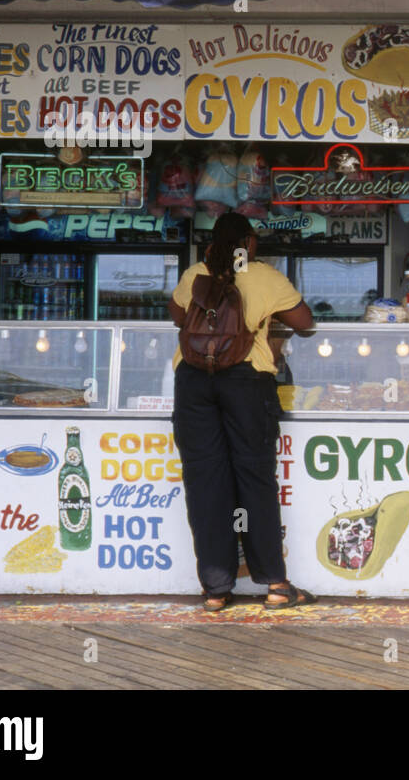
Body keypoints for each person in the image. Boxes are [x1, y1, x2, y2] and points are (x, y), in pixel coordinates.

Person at [168, 212, 317, 612]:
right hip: (246, 383)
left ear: (212, 245)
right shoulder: (265, 276)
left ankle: (216, 588)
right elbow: (306, 324)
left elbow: (179, 318)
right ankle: (274, 584)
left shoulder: (193, 274)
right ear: (249, 244)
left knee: (205, 482)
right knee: (254, 479)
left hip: (194, 383)